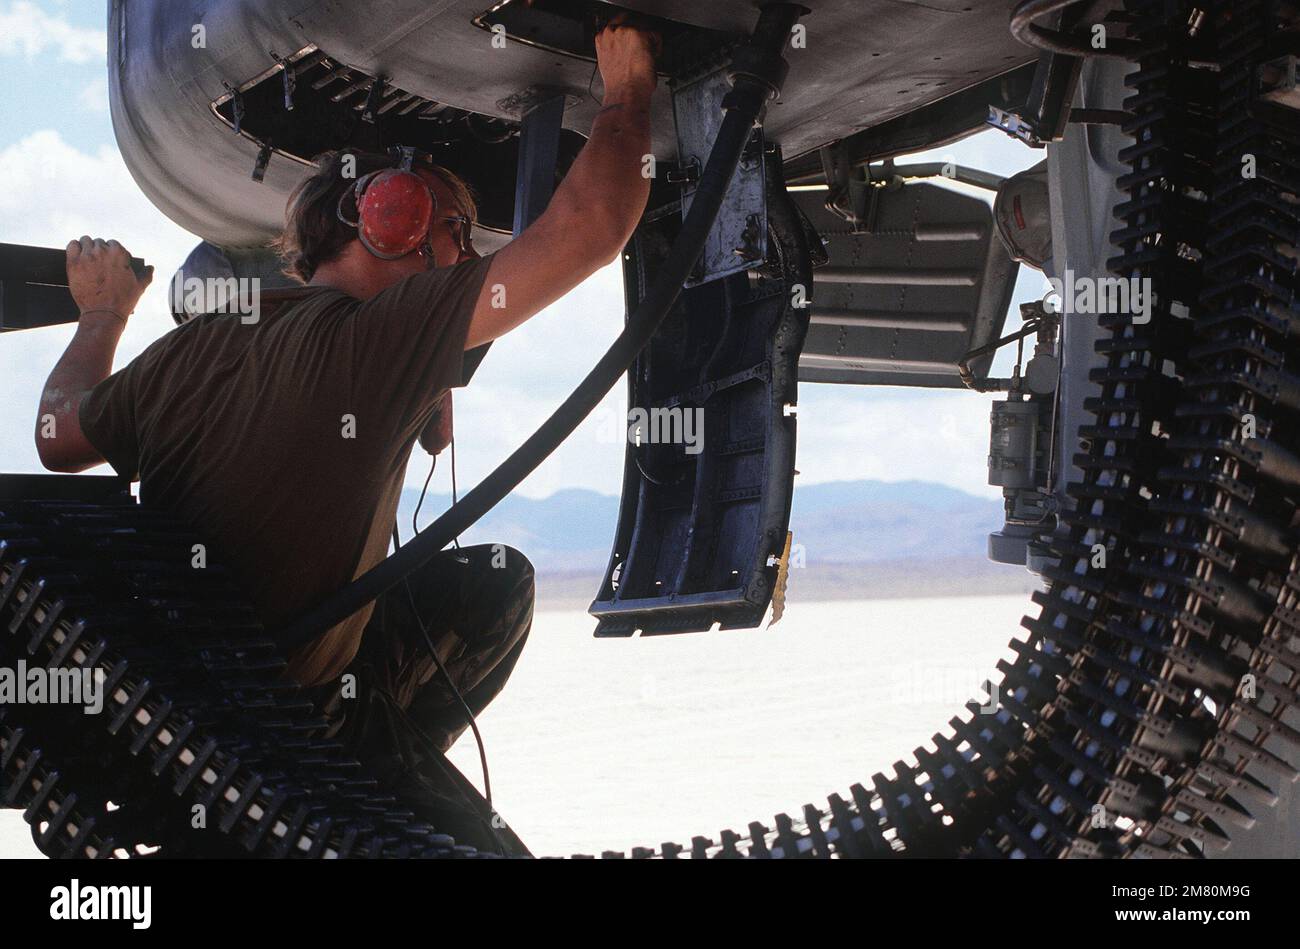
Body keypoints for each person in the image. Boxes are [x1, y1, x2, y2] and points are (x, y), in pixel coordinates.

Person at [33, 18, 660, 840]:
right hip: (287, 726)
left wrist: (102, 315)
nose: (466, 257)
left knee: (493, 583)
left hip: (203, 697)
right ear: (390, 218)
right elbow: (588, 229)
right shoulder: (378, 337)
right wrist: (629, 93)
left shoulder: (194, 347)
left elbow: (57, 435)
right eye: (454, 232)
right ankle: (369, 778)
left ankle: (384, 751)